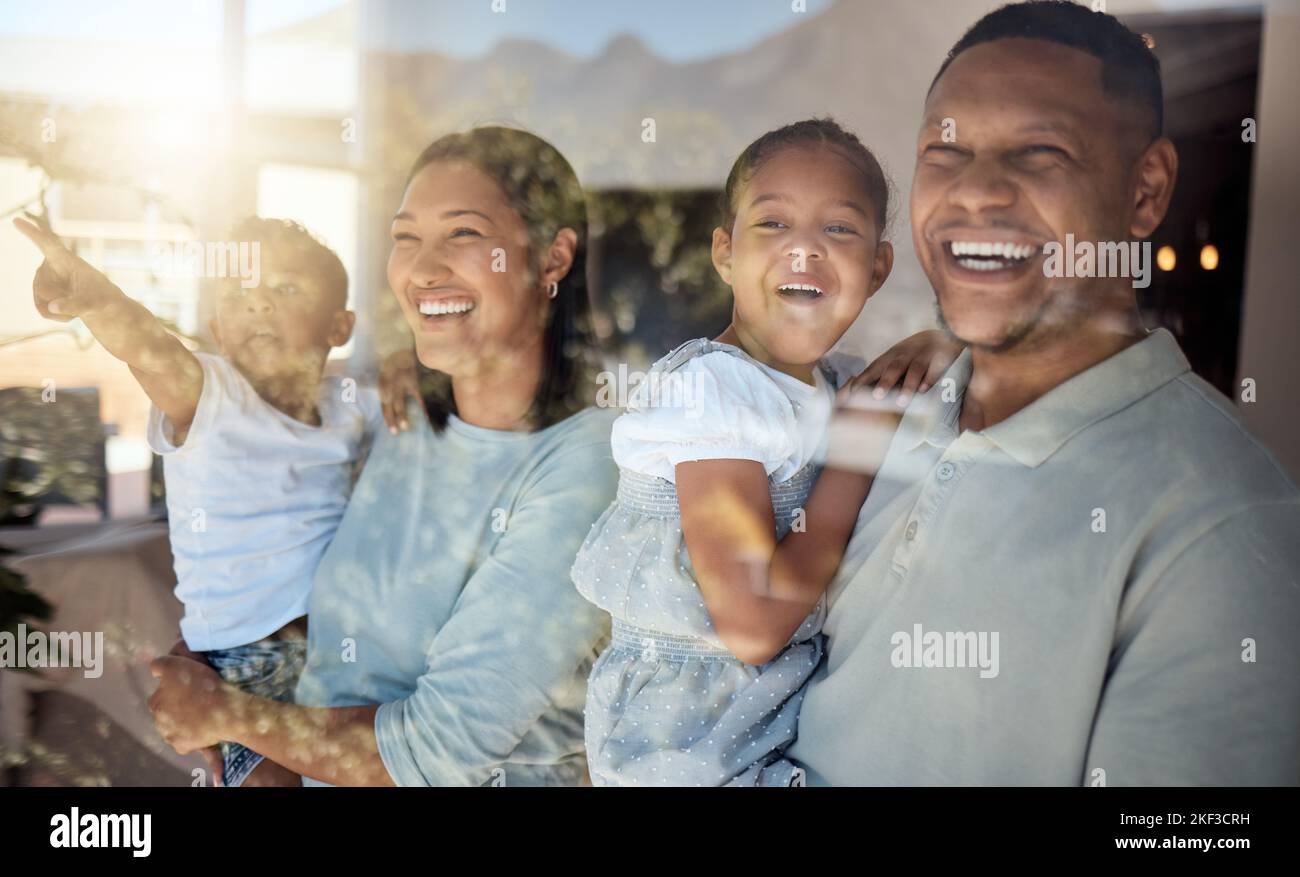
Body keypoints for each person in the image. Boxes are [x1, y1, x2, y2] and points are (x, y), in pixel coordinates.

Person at [786, 0, 1300, 786]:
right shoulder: (884, 408)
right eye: (945, 152)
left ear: (1146, 191)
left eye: (1040, 152)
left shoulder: (1222, 527)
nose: (976, 193)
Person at [146, 126, 620, 786]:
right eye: (405, 238)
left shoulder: (587, 467)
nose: (423, 269)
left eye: (462, 234)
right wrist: (231, 651)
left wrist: (230, 714)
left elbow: (435, 752)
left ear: (551, 258)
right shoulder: (400, 420)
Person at [572, 118, 961, 785]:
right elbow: (753, 625)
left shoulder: (832, 383)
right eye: (772, 225)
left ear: (878, 268)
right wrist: (856, 447)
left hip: (765, 727)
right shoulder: (712, 393)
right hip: (681, 752)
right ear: (724, 253)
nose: (804, 250)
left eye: (838, 229)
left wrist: (944, 342)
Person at [15, 214, 383, 787]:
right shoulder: (212, 397)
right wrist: (95, 297)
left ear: (340, 326)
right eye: (240, 293)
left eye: (284, 289)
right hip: (246, 663)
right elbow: (148, 348)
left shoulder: (353, 407)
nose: (258, 305)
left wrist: (413, 372)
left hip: (344, 651)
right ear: (216, 325)